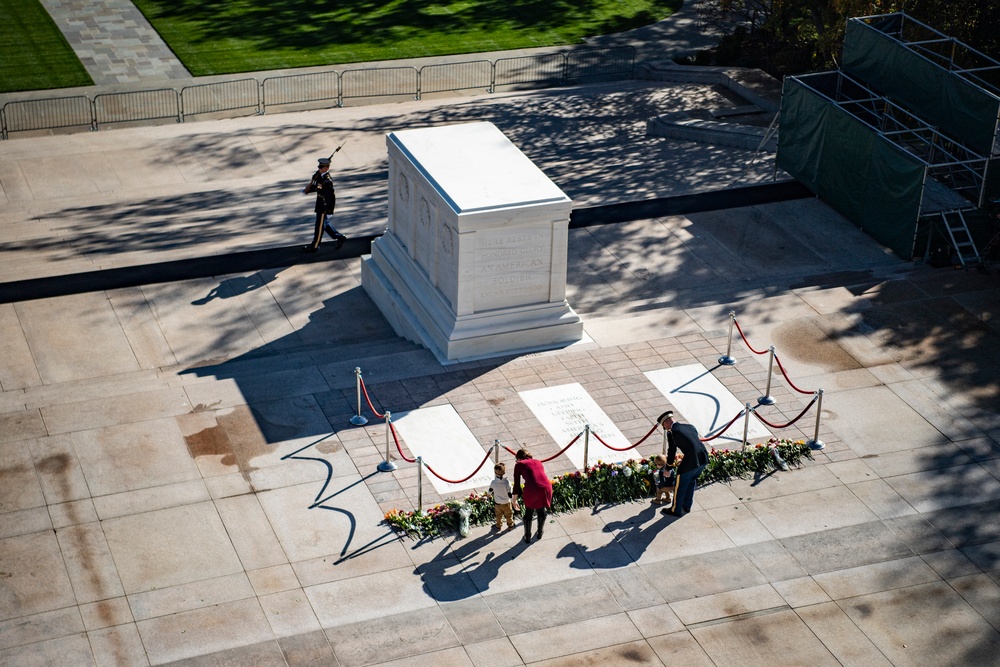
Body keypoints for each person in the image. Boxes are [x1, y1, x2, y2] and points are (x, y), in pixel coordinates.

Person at [658, 411, 709, 517]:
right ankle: (687, 506)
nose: (666, 429)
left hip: (691, 461)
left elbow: (672, 451)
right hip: (703, 457)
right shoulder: (690, 426)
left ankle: (675, 510)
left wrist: (668, 468)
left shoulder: (672, 432)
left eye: (664, 426)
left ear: (667, 423)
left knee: (679, 485)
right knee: (691, 481)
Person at [301, 156, 346, 253]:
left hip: (324, 207)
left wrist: (330, 211)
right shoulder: (320, 177)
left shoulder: (327, 181)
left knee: (319, 227)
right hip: (320, 204)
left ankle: (315, 246)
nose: (319, 169)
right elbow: (318, 187)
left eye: (321, 168)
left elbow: (331, 197)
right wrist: (307, 190)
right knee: (324, 224)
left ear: (326, 168)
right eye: (319, 167)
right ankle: (339, 237)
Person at [512, 448, 552, 544]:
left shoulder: (519, 464)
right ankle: (540, 532)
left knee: (528, 513)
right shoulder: (538, 461)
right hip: (546, 487)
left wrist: (514, 500)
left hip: (532, 490)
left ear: (518, 458)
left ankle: (527, 536)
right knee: (541, 511)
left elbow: (517, 484)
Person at [489, 462, 517, 531]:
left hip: (497, 503)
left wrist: (488, 496)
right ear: (504, 472)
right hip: (506, 503)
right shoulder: (507, 482)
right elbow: (510, 492)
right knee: (509, 515)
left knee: (498, 515)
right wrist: (513, 500)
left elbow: (490, 491)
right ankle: (510, 525)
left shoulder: (493, 482)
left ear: (495, 472)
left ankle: (498, 526)